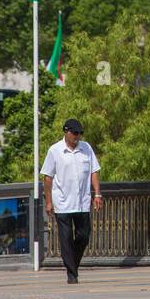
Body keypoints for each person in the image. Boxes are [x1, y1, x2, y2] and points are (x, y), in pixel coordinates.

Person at [41, 118, 103, 284]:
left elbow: (94, 171)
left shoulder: (86, 148)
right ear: (66, 132)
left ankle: (72, 264)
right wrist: (48, 202)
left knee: (84, 236)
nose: (78, 136)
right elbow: (47, 177)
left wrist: (97, 194)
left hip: (82, 201)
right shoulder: (55, 150)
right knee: (66, 238)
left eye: (80, 133)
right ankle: (72, 274)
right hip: (62, 202)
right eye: (75, 133)